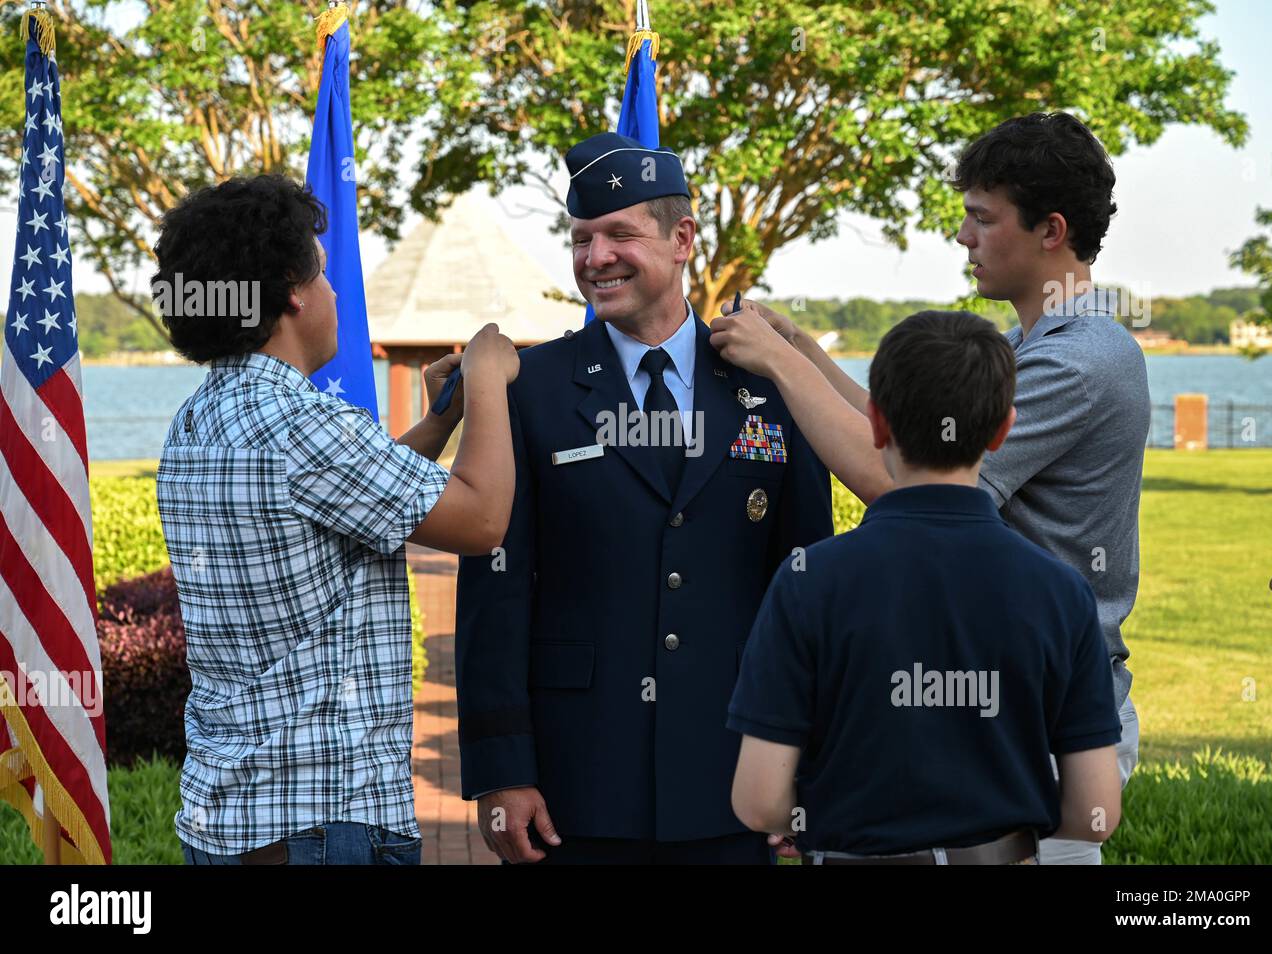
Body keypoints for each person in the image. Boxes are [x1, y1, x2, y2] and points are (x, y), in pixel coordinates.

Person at [711, 112, 1147, 864]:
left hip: (1035, 704)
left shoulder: (1081, 359)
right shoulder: (1031, 344)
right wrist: (804, 350)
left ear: (1051, 229)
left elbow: (895, 473)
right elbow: (907, 427)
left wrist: (781, 372)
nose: (963, 237)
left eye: (982, 219)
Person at [455, 132, 834, 865]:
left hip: (733, 776)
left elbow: (805, 588)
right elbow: (494, 592)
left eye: (619, 234)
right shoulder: (531, 390)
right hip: (576, 784)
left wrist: (806, 760)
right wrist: (501, 771)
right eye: (581, 239)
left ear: (682, 238)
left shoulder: (771, 386)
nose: (595, 259)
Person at [153, 174, 519, 865]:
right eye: (322, 276)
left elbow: (357, 495)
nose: (334, 294)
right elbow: (480, 520)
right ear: (293, 289)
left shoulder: (198, 419)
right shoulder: (306, 425)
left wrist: (443, 418)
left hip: (231, 816)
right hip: (322, 821)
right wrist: (491, 379)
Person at [729, 310, 1123, 865]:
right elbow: (1094, 812)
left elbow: (759, 801)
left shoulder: (807, 582)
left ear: (876, 422)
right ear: (1003, 429)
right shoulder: (1062, 591)